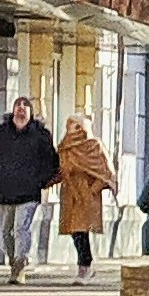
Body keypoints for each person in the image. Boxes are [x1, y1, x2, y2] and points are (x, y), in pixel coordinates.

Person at [0, 97, 60, 280]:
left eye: (25, 105)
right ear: (13, 110)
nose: (21, 108)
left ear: (31, 112)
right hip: (3, 192)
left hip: (29, 192)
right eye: (18, 105)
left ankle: (20, 263)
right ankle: (13, 260)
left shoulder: (40, 134)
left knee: (21, 229)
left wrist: (40, 182)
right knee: (5, 231)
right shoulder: (0, 132)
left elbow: (52, 162)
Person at [55, 115, 117, 275]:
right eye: (69, 125)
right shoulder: (64, 147)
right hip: (71, 194)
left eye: (76, 126)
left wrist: (92, 190)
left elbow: (105, 171)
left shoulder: (93, 145)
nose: (72, 129)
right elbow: (59, 169)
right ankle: (85, 264)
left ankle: (85, 265)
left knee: (80, 230)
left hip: (87, 194)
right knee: (75, 232)